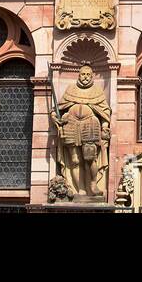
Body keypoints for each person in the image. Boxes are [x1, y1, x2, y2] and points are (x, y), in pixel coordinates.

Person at [52, 65, 111, 198]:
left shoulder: (97, 91)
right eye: (82, 74)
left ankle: (93, 185)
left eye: (88, 74)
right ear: (78, 75)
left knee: (90, 158)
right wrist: (54, 116)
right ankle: (81, 190)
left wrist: (105, 127)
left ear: (92, 76)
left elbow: (105, 112)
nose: (85, 77)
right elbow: (59, 109)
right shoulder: (70, 89)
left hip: (90, 123)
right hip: (71, 124)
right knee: (74, 160)